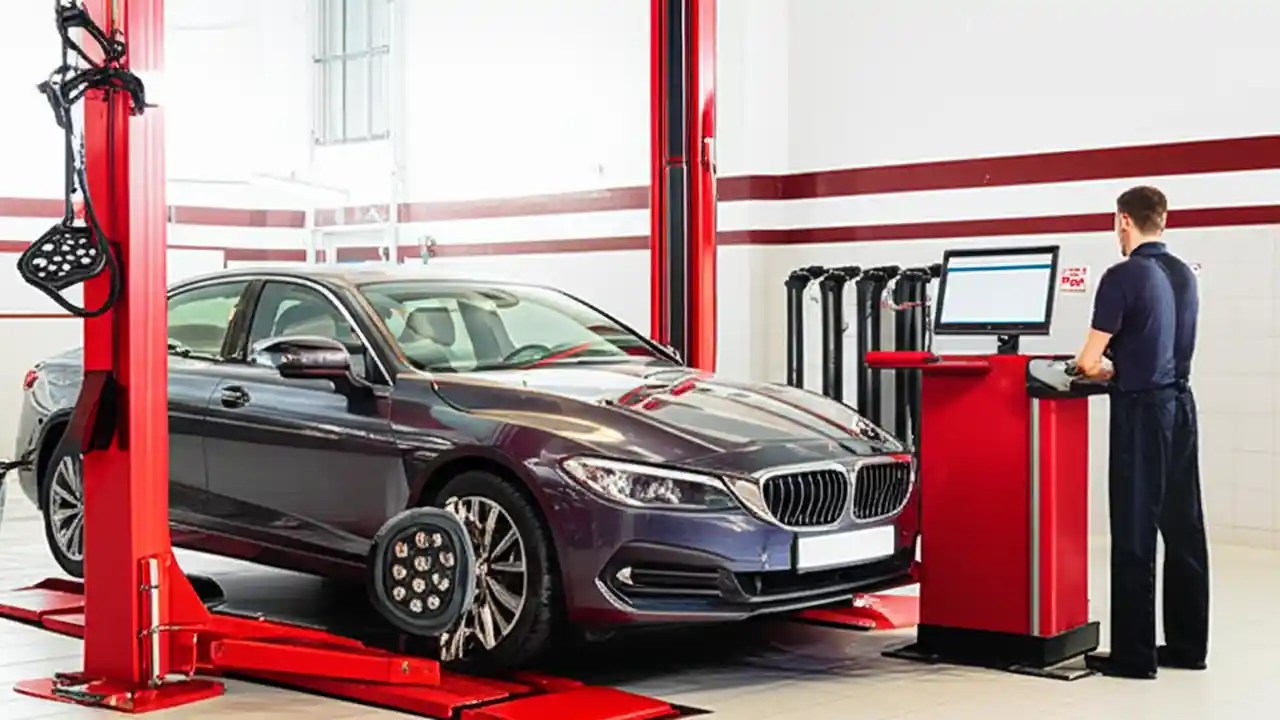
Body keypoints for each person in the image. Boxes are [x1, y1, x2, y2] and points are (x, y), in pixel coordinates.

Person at [1073, 185, 1209, 679]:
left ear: (1124, 221)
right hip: (1182, 406)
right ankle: (1189, 646)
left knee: (1134, 529)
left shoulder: (1122, 276)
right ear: (1164, 220)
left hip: (1141, 412)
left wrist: (1098, 368)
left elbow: (1089, 360)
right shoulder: (1184, 275)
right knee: (1184, 529)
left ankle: (1135, 655)